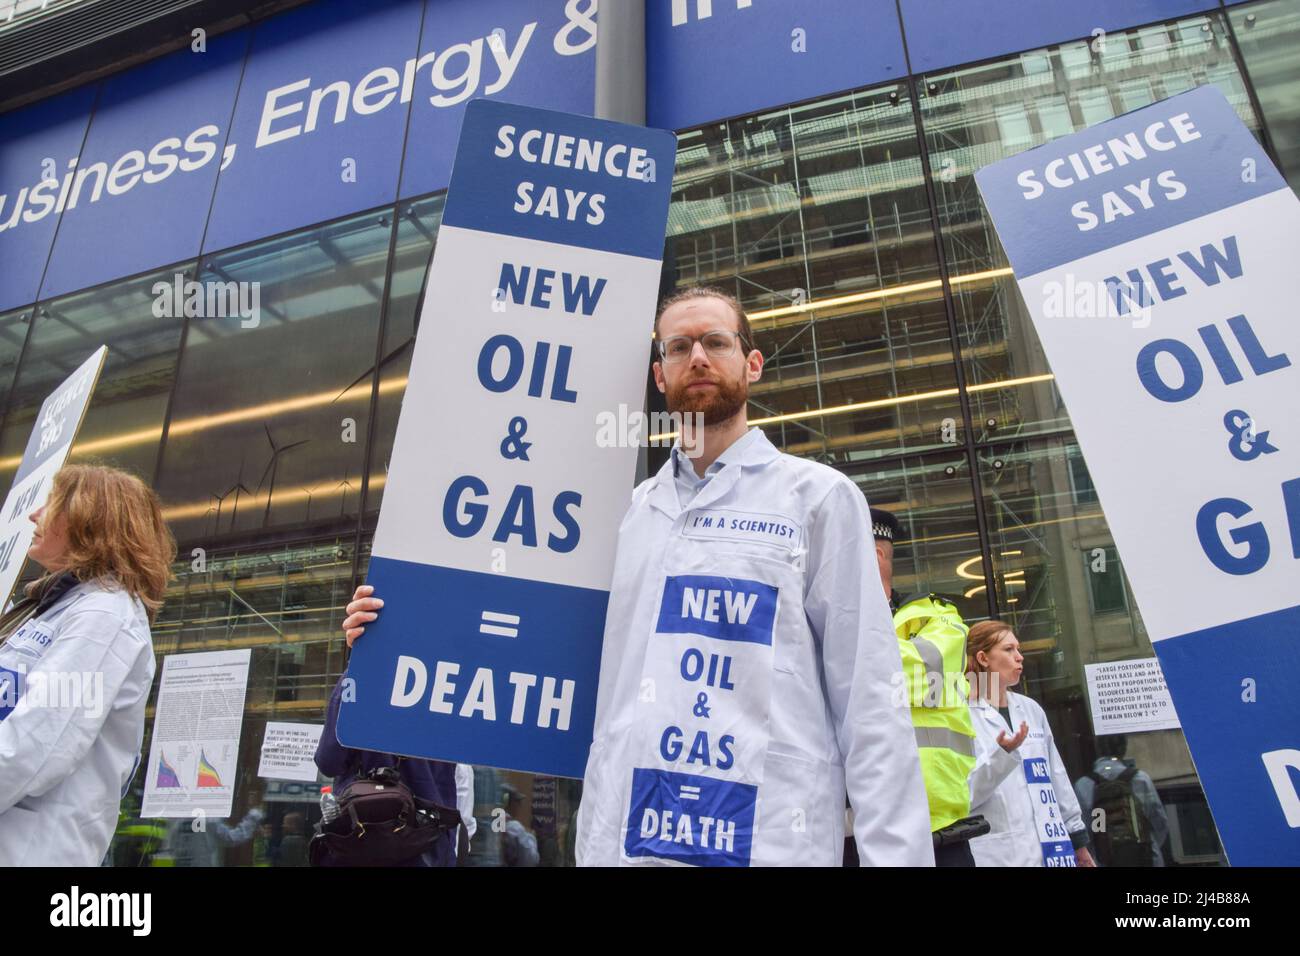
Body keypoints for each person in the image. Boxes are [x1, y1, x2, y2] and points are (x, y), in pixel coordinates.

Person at [344, 287, 932, 867]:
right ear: (660, 376)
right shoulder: (627, 517)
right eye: (679, 348)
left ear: (751, 364)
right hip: (625, 841)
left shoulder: (819, 500)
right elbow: (532, 642)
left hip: (766, 839)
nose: (697, 357)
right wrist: (394, 637)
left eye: (715, 342)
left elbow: (872, 705)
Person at [0, 463, 175, 866]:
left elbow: (38, 745)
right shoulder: (46, 609)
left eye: (51, 504)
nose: (33, 515)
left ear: (90, 522)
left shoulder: (105, 614)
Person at [862, 507, 982, 866]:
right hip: (846, 829)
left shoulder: (936, 615)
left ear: (875, 554)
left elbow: (922, 676)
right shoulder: (817, 617)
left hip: (935, 829)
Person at [965, 621, 1095, 867]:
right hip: (997, 854)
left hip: (1051, 850)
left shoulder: (1030, 709)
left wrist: (1078, 842)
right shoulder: (962, 716)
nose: (1020, 657)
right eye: (1009, 649)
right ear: (983, 658)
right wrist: (1001, 755)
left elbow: (1057, 778)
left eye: (1019, 649)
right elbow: (964, 795)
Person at [314, 669, 469, 867]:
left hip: (362, 836)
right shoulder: (452, 682)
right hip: (427, 840)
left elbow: (329, 762)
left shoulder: (361, 674)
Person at [1074, 734, 1169, 866]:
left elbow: (1084, 832)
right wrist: (1148, 845)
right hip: (1146, 858)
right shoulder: (1141, 779)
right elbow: (1160, 822)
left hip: (1105, 861)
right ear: (1123, 749)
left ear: (1097, 749)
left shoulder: (1083, 785)